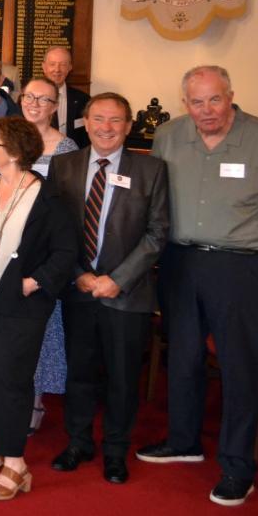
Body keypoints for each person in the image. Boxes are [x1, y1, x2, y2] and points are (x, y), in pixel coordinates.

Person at [140, 65, 258, 507]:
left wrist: (243, 232)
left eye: (215, 99)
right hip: (182, 262)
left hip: (241, 268)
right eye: (196, 101)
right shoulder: (169, 135)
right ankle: (183, 441)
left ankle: (237, 467)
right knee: (184, 356)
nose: (206, 110)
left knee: (239, 367)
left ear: (231, 96)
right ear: (184, 102)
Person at [48, 93, 169, 485]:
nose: (106, 127)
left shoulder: (151, 170)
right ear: (85, 121)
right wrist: (79, 274)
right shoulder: (64, 166)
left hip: (127, 294)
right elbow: (54, 230)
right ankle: (79, 442)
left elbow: (157, 233)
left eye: (116, 120)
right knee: (78, 373)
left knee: (121, 378)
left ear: (129, 126)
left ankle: (116, 451)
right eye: (98, 119)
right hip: (78, 288)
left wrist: (118, 279)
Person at [0, 116, 76, 501]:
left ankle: (16, 465)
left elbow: (64, 253)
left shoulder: (49, 196)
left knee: (11, 378)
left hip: (21, 301)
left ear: (16, 152)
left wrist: (32, 282)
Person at [19, 76, 79, 434]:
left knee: (41, 327)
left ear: (55, 107)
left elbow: (69, 207)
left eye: (44, 99)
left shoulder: (65, 148)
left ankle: (35, 401)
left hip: (43, 253)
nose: (35, 104)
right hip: (8, 249)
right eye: (29, 97)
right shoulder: (9, 137)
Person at [41, 46, 90, 147]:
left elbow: (86, 138)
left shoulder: (84, 100)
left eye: (63, 64)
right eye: (52, 64)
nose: (57, 69)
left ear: (70, 68)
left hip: (71, 158)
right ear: (44, 67)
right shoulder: (28, 100)